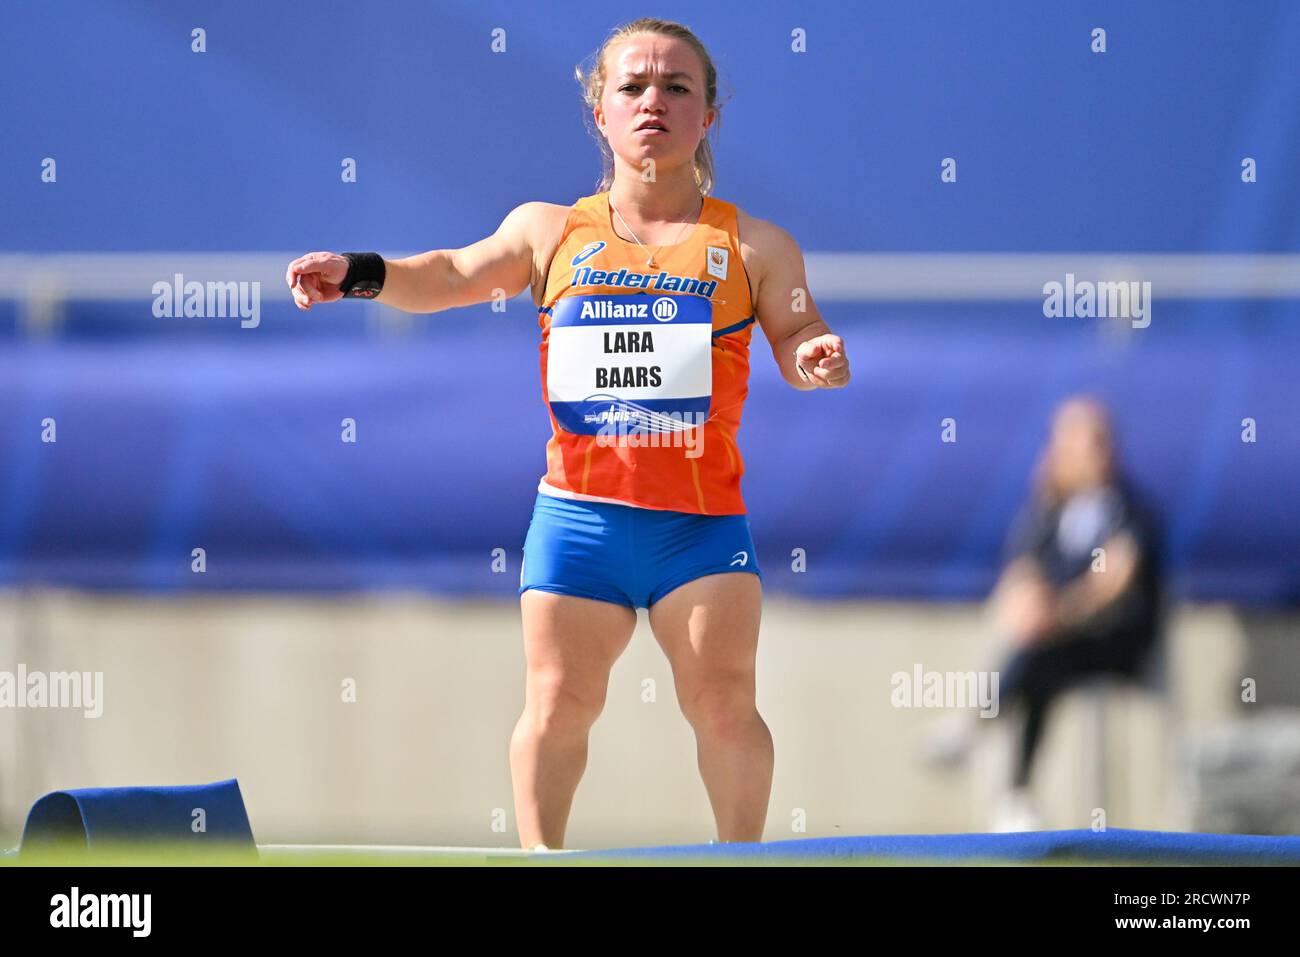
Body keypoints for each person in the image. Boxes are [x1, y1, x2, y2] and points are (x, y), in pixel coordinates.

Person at [284, 18, 850, 850]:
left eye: (676, 87)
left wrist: (817, 358)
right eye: (632, 86)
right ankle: (541, 859)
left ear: (708, 118)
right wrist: (360, 273)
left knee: (724, 703)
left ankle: (741, 860)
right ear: (600, 114)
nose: (652, 100)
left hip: (698, 527)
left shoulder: (755, 246)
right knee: (555, 704)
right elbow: (448, 272)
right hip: (578, 519)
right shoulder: (551, 231)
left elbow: (800, 337)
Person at [925, 396, 1163, 832]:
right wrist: (1029, 605)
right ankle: (1015, 797)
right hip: (1056, 642)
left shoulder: (1131, 508)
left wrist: (1060, 614)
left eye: (1090, 444)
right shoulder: (1049, 510)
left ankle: (976, 725)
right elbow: (1022, 570)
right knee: (1039, 664)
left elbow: (1113, 584)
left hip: (1118, 642)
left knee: (1041, 657)